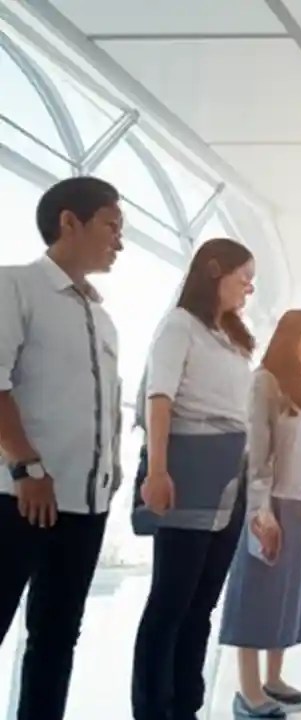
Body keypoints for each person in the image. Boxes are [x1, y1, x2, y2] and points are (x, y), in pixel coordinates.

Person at [0, 177, 123, 720]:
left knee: (56, 638)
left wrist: (113, 473)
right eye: (111, 226)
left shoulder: (102, 316)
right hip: (21, 496)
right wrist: (26, 465)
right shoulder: (16, 287)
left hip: (84, 504)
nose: (119, 241)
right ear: (68, 222)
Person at [131, 238, 256, 720]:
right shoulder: (178, 326)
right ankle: (152, 708)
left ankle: (187, 704)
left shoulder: (229, 335)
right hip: (187, 470)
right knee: (170, 601)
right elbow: (158, 399)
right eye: (243, 275)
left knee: (201, 605)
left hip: (230, 475)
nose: (249, 285)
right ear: (213, 269)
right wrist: (157, 469)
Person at [219, 310, 301, 718]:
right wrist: (261, 511)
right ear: (289, 342)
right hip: (274, 502)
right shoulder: (265, 382)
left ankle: (275, 679)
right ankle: (247, 691)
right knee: (257, 593)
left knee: (288, 597)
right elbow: (259, 451)